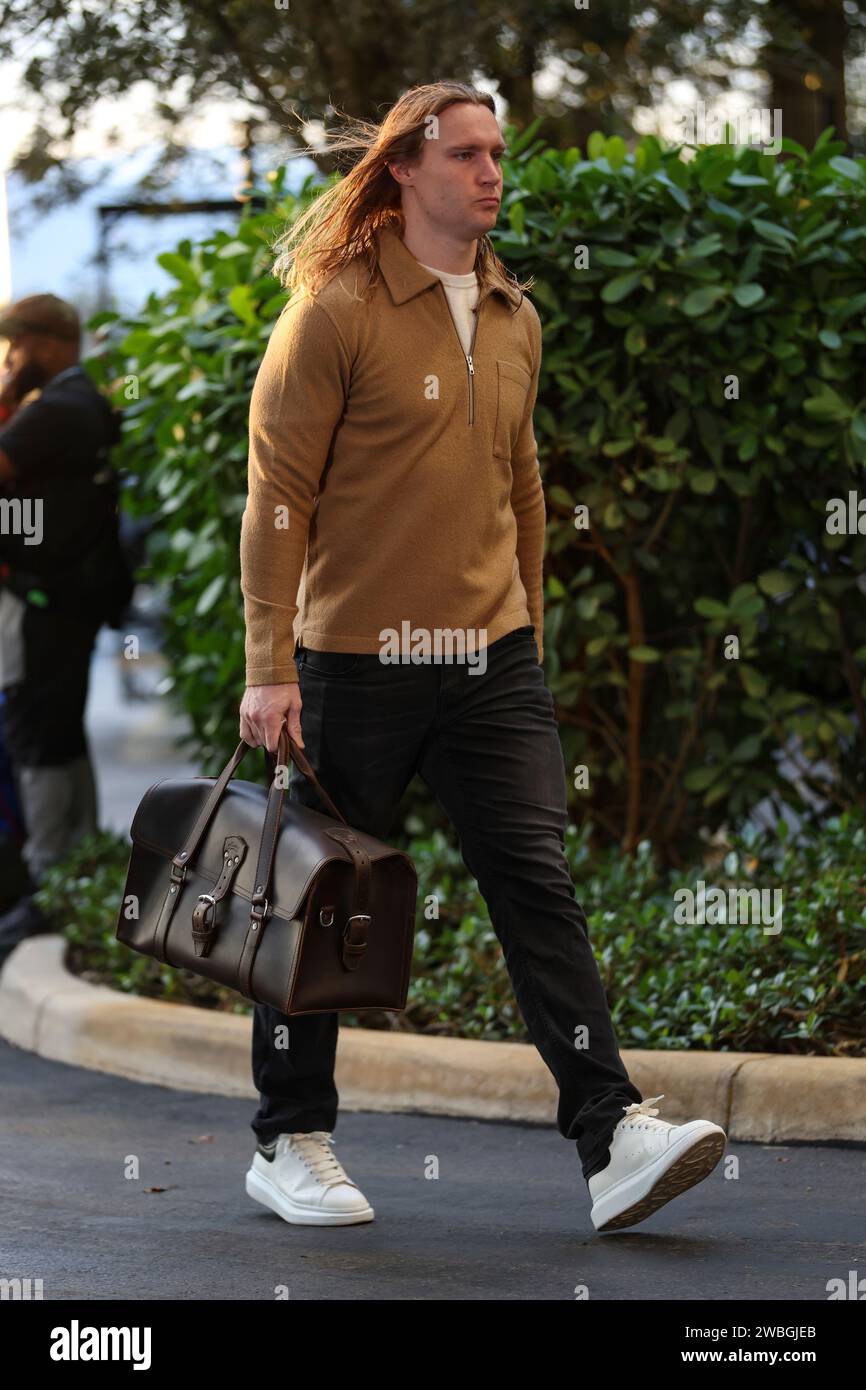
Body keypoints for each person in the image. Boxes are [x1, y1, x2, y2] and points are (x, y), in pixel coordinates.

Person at [238, 81, 727, 1235]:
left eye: (498, 153)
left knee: (535, 887)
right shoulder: (334, 309)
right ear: (404, 168)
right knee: (319, 906)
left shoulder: (513, 313)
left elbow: (522, 487)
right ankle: (288, 1137)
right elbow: (276, 497)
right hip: (349, 661)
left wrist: (529, 637)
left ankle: (609, 1136)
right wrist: (270, 664)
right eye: (465, 155)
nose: (490, 172)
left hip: (490, 661)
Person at [0, 293, 132, 950]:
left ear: (50, 343)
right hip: (70, 602)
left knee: (35, 734)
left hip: (44, 606)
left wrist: (4, 395)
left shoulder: (56, 410)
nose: (10, 359)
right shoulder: (87, 402)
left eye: (15, 346)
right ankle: (77, 865)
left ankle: (50, 884)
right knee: (59, 730)